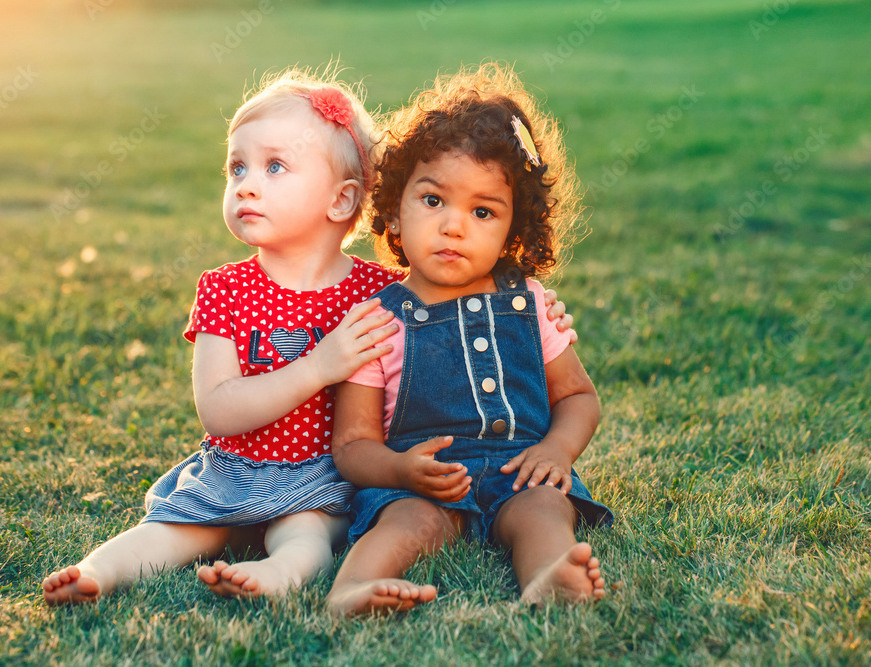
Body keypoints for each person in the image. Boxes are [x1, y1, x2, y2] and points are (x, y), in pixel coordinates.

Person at [42, 67, 578, 605]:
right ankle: (95, 573)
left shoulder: (377, 292)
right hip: (234, 469)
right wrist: (319, 365)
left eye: (274, 166)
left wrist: (537, 310)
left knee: (307, 538)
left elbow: (449, 300)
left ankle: (275, 577)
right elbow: (219, 412)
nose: (246, 183)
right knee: (174, 531)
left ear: (343, 201)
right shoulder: (225, 290)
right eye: (236, 167)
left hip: (320, 484)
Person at [327, 63, 614, 617]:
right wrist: (401, 471)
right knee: (408, 521)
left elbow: (579, 396)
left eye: (482, 211)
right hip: (419, 483)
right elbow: (352, 446)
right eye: (433, 201)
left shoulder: (529, 304)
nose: (454, 226)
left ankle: (549, 576)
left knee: (543, 510)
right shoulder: (376, 321)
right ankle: (353, 588)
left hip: (518, 471)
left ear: (515, 228)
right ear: (393, 206)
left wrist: (556, 450)